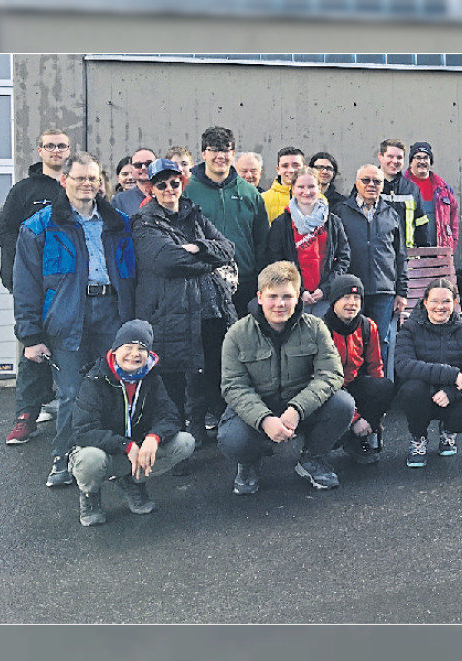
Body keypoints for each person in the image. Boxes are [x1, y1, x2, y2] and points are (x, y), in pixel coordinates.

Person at [13, 151, 136, 487]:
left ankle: (111, 459)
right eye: (79, 178)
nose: (87, 184)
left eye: (92, 178)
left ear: (100, 183)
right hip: (68, 317)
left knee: (115, 389)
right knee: (71, 392)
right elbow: (26, 284)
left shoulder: (120, 224)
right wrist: (30, 336)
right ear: (64, 181)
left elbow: (134, 276)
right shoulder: (39, 226)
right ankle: (63, 458)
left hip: (112, 313)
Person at [219, 261, 355, 494]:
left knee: (343, 404)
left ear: (298, 297)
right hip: (258, 406)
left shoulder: (315, 328)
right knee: (233, 438)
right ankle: (249, 461)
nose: (280, 304)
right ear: (260, 297)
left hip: (300, 404)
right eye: (272, 296)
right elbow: (234, 387)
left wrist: (297, 409)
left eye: (287, 296)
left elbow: (331, 374)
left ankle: (311, 458)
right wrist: (263, 419)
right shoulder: (237, 333)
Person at [132, 158, 238, 450]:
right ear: (151, 188)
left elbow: (227, 248)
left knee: (206, 377)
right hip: (171, 314)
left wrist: (200, 247)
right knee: (174, 384)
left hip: (210, 311)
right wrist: (207, 261)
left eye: (174, 183)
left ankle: (200, 434)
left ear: (182, 183)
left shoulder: (195, 214)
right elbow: (166, 260)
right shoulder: (144, 222)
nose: (169, 189)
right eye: (161, 184)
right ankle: (176, 446)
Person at [69, 319, 194, 527]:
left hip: (138, 447)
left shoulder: (152, 377)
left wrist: (154, 438)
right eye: (128, 347)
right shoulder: (96, 379)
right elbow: (83, 430)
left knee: (185, 442)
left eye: (141, 349)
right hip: (104, 450)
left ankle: (133, 481)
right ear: (116, 349)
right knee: (90, 459)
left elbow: (170, 416)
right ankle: (90, 494)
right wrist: (124, 445)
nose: (134, 354)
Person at [0, 127, 69, 446]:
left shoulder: (74, 186)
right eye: (50, 146)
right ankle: (26, 415)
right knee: (33, 346)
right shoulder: (24, 190)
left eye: (61, 146)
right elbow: (6, 232)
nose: (56, 151)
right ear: (39, 151)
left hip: (68, 283)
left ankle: (64, 405)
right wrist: (27, 266)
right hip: (34, 282)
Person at [394, 278, 462, 468]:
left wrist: (452, 393)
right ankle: (418, 437)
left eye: (446, 301)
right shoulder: (409, 328)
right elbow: (403, 365)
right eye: (434, 301)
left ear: (455, 303)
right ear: (425, 302)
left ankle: (448, 430)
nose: (440, 307)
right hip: (422, 394)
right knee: (411, 390)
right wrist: (449, 374)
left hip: (451, 395)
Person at [183, 126, 270, 316]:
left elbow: (263, 242)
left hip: (244, 284)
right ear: (203, 153)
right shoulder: (186, 190)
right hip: (201, 281)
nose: (220, 156)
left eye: (226, 150)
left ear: (233, 153)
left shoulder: (250, 193)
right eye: (214, 150)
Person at [333, 164, 406, 365]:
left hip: (384, 292)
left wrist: (402, 292)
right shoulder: (341, 212)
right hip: (351, 291)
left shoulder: (392, 214)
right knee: (349, 342)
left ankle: (377, 386)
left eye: (377, 181)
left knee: (380, 341)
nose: (371, 185)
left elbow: (400, 255)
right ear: (357, 184)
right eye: (366, 180)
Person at [323, 274, 393, 463]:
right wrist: (355, 419)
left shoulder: (367, 326)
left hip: (354, 383)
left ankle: (358, 439)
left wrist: (376, 414)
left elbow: (375, 367)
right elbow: (319, 379)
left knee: (384, 386)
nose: (352, 303)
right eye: (346, 297)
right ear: (334, 300)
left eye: (357, 298)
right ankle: (321, 446)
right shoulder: (321, 329)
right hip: (329, 389)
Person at [263, 166, 351, 316]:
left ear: (319, 188)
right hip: (293, 298)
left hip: (325, 298)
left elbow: (343, 257)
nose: (306, 191)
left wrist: (326, 289)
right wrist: (299, 290)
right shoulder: (282, 223)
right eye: (301, 187)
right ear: (292, 188)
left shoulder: (333, 221)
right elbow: (275, 261)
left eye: (311, 186)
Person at [400, 141, 460, 250]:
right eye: (417, 157)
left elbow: (453, 221)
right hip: (409, 254)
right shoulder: (400, 188)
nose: (422, 161)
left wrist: (452, 245)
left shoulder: (443, 190)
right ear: (410, 162)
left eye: (426, 158)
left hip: (440, 254)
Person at [378, 138, 429, 249]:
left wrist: (424, 258)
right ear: (380, 157)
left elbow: (421, 226)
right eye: (390, 156)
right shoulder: (367, 185)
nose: (395, 161)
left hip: (407, 260)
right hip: (378, 258)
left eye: (399, 157)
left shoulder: (412, 189)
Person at [262, 146, 305, 224]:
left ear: (304, 168)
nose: (291, 170)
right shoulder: (263, 200)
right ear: (278, 170)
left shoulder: (318, 199)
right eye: (285, 166)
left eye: (296, 165)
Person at [111, 147, 157, 216]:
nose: (143, 168)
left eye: (148, 164)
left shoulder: (170, 193)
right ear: (132, 169)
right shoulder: (119, 201)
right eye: (138, 165)